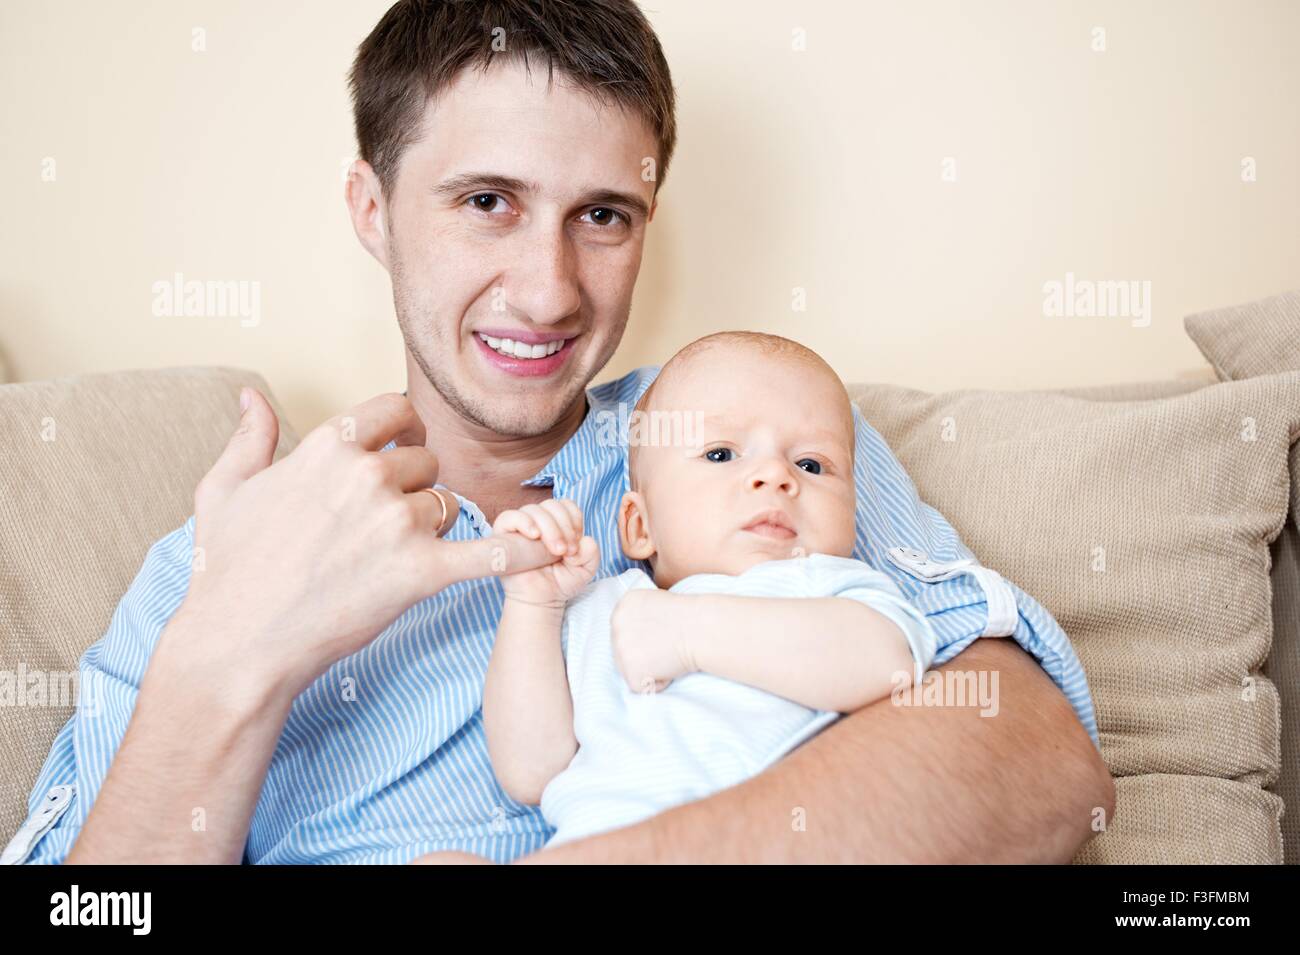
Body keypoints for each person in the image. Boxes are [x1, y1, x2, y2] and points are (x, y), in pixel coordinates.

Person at [7, 0, 1111, 865]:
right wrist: (227, 655)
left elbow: (1037, 767)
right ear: (371, 208)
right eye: (485, 200)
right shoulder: (220, 564)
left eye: (601, 216)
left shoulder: (754, 442)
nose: (546, 293)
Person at [481, 332, 940, 851]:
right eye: (721, 454)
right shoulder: (601, 608)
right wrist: (532, 605)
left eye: (811, 465)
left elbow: (887, 663)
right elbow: (531, 771)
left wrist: (689, 633)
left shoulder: (831, 591)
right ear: (639, 526)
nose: (775, 475)